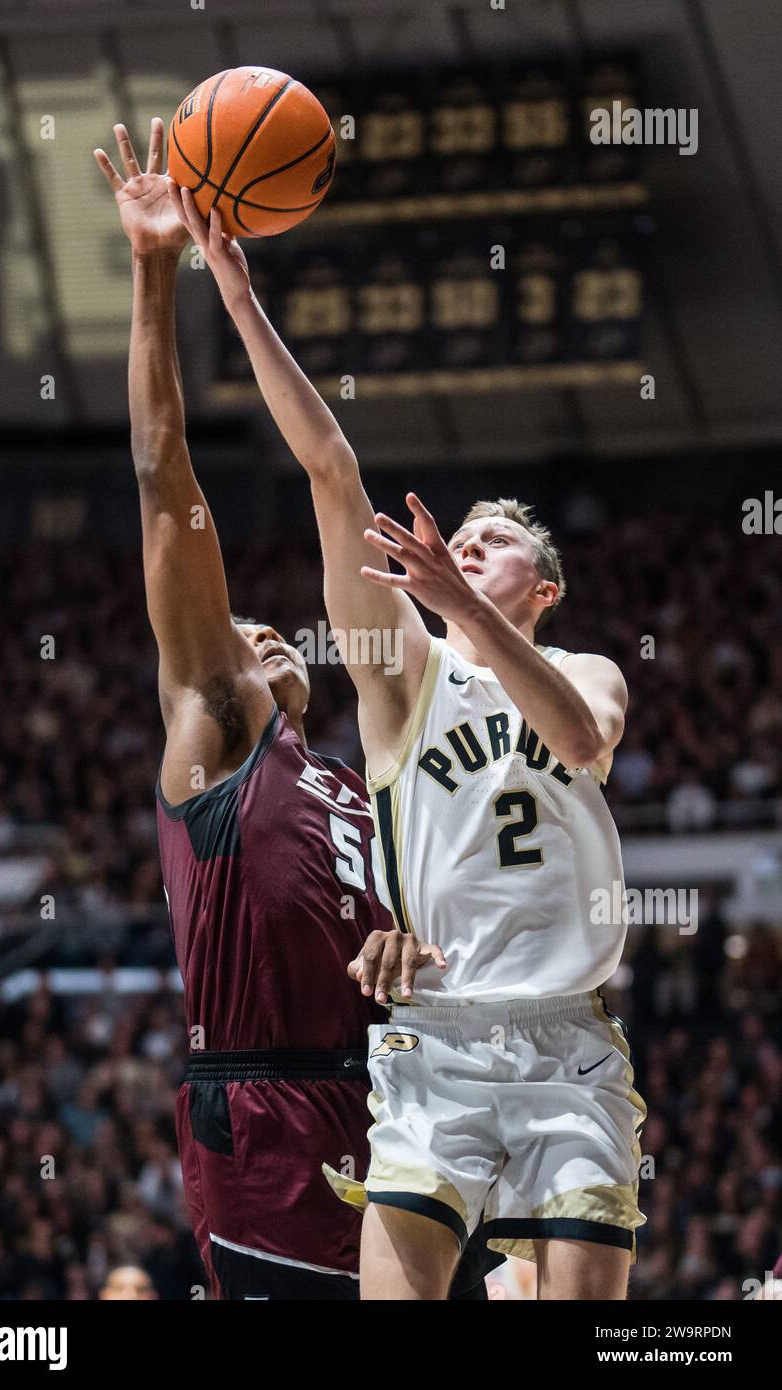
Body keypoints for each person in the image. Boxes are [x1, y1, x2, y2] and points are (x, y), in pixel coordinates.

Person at [171, 179, 647, 1301]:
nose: (470, 548)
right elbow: (332, 475)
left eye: (494, 544)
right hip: (432, 1043)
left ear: (548, 586)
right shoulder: (399, 681)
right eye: (461, 542)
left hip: (568, 1042)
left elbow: (576, 738)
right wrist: (240, 299)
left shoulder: (585, 670)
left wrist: (461, 601)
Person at [94, 119, 497, 1301]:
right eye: (247, 629)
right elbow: (164, 476)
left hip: (402, 1092)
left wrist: (419, 953)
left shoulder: (364, 767)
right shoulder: (219, 722)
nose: (264, 630)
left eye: (282, 631)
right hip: (265, 1110)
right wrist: (156, 270)